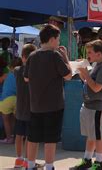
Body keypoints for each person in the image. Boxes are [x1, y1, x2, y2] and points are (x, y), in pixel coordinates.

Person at [24, 24, 72, 170]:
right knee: (50, 139)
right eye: (58, 39)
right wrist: (66, 58)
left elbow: (26, 78)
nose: (58, 42)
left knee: (33, 138)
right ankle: (49, 166)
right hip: (54, 105)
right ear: (52, 39)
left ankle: (30, 165)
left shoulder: (32, 56)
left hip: (35, 104)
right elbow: (68, 76)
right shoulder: (55, 55)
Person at [72, 40, 102, 170]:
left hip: (97, 107)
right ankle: (87, 160)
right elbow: (87, 82)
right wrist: (81, 71)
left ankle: (99, 163)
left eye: (90, 52)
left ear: (98, 53)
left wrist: (85, 74)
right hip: (89, 105)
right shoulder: (97, 64)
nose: (87, 55)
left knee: (98, 135)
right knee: (91, 135)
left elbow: (96, 88)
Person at [13, 44, 37, 168]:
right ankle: (28, 159)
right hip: (31, 108)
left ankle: (19, 159)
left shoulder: (17, 70)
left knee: (19, 135)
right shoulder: (34, 72)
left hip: (20, 108)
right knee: (29, 136)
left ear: (22, 57)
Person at [0, 58, 20, 144]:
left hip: (6, 99)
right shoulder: (21, 75)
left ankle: (9, 138)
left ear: (11, 66)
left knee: (6, 120)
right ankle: (17, 137)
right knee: (15, 119)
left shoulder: (7, 74)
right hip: (17, 99)